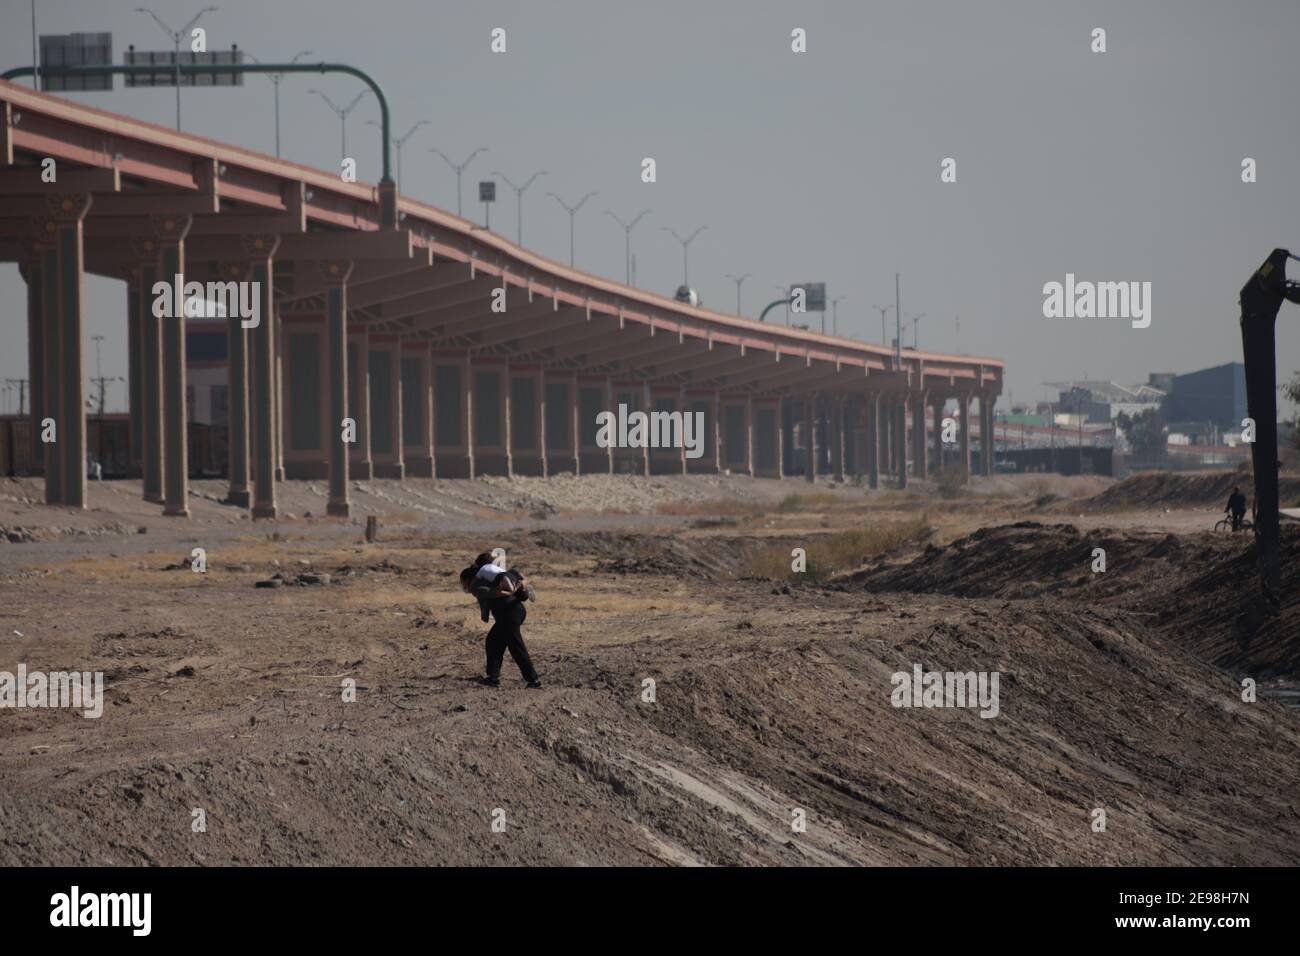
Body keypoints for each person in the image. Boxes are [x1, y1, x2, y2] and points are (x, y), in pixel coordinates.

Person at [460, 554, 541, 688]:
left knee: (515, 646)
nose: (464, 587)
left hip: (509, 613)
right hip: (515, 610)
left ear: (468, 579)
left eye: (463, 583)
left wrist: (507, 592)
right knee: (493, 641)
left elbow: (492, 593)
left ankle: (533, 680)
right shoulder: (490, 577)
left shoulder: (477, 584)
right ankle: (493, 678)